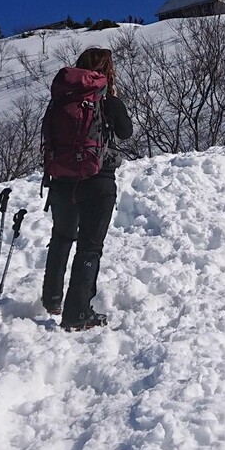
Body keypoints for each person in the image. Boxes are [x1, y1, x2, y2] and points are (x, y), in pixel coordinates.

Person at [41, 47, 133, 331]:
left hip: (60, 180)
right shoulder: (106, 99)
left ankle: (53, 298)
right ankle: (77, 313)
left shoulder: (60, 98)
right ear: (108, 70)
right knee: (89, 247)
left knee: (61, 237)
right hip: (98, 180)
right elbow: (125, 133)